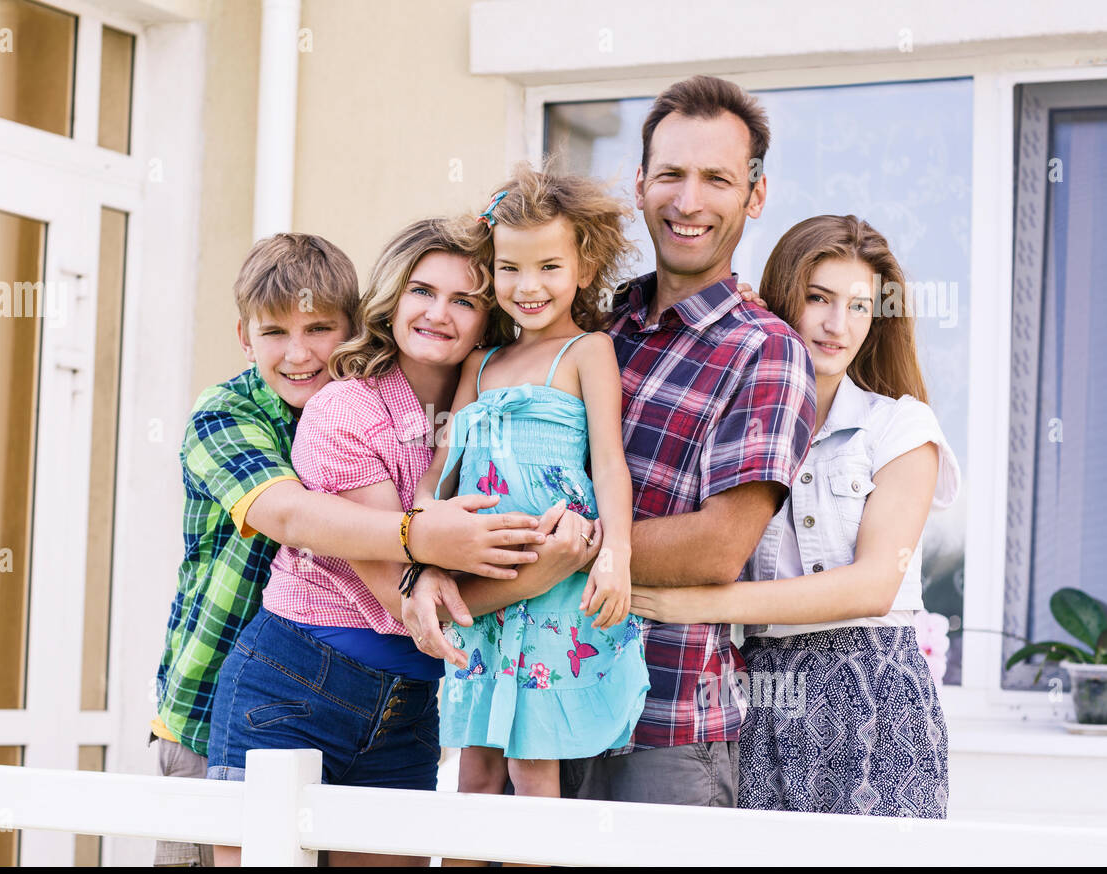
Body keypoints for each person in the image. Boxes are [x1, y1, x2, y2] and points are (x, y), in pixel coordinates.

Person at [404, 75, 816, 809]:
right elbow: (461, 445)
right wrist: (426, 559)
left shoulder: (765, 350)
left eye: (716, 179)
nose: (688, 200)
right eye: (671, 175)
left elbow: (719, 547)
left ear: (754, 196)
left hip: (663, 725)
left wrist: (572, 545)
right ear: (639, 184)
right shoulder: (584, 320)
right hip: (520, 677)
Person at [206, 219, 596, 867]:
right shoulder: (344, 410)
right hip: (295, 687)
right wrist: (551, 567)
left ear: (488, 317)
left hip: (411, 709)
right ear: (392, 301)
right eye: (422, 290)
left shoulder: (498, 422)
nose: (438, 313)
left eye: (464, 300)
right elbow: (412, 606)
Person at [632, 214, 960, 818]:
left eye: (859, 307)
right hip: (756, 692)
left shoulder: (901, 426)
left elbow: (873, 584)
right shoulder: (742, 422)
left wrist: (700, 603)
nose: (838, 325)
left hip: (873, 696)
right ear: (786, 298)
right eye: (818, 299)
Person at [412, 165, 650, 828]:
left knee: (532, 766)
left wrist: (617, 555)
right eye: (511, 268)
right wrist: (425, 533)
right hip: (482, 570)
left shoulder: (586, 351)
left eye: (549, 266)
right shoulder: (479, 364)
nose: (529, 286)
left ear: (585, 262)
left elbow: (609, 462)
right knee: (474, 769)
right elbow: (441, 467)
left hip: (552, 583)